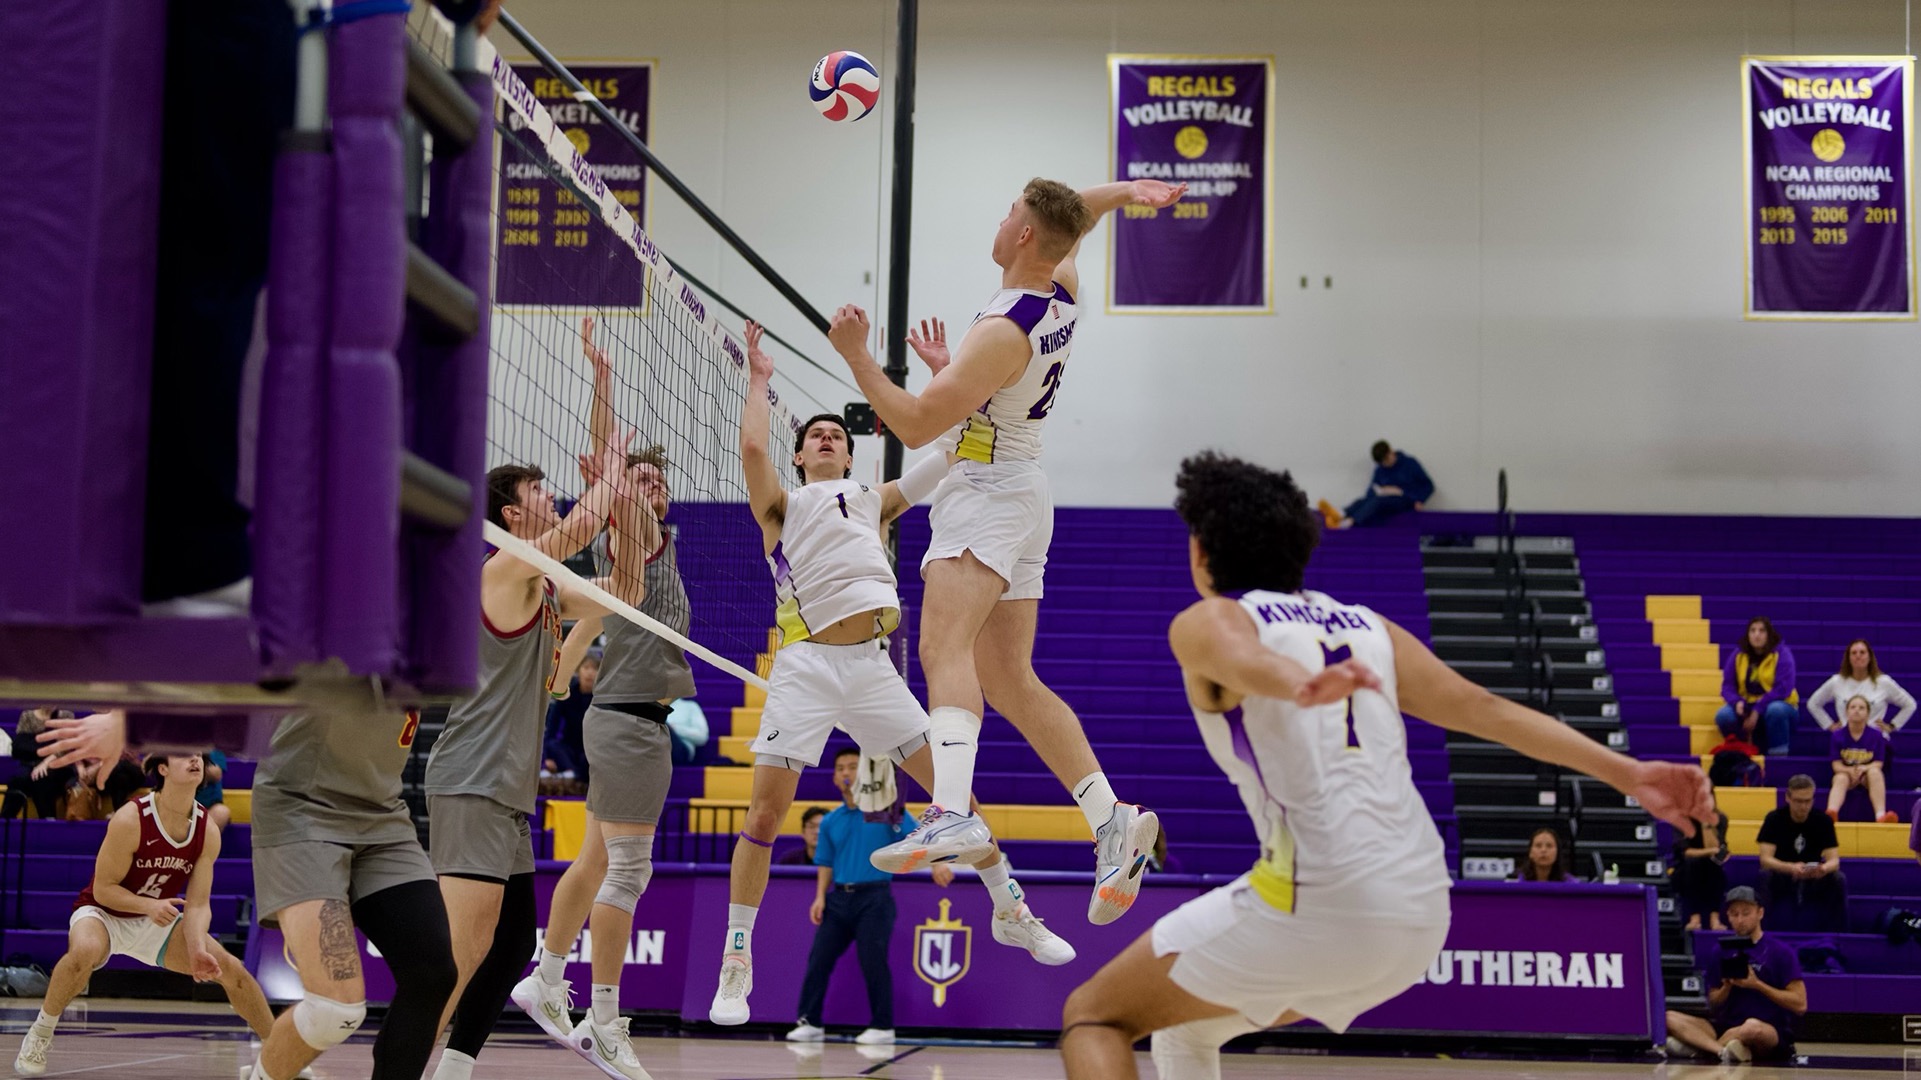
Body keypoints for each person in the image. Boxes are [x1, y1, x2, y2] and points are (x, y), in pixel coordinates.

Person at [1056, 452, 1714, 1080]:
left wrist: (1296, 683)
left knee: (1093, 1016)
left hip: (1320, 905)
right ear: (1299, 548)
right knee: (1186, 1025)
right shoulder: (1366, 626)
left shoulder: (1210, 619)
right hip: (1421, 915)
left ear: (1200, 552)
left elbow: (1242, 656)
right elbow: (1483, 707)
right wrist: (1628, 774)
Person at [827, 176, 1188, 926]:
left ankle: (950, 810)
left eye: (1009, 214)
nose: (1000, 221)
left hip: (986, 496)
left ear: (1025, 234)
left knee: (941, 648)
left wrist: (858, 357)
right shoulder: (1060, 284)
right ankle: (1111, 818)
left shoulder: (1003, 328)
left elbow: (919, 426)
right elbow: (1074, 217)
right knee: (1008, 678)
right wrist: (1128, 192)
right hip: (1021, 490)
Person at [712, 324, 1073, 1028]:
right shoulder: (782, 505)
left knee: (952, 800)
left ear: (849, 452)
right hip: (807, 664)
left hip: (872, 670)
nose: (825, 439)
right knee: (761, 815)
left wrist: (946, 378)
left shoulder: (873, 499)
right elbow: (753, 448)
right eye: (814, 435)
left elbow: (950, 450)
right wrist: (757, 377)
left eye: (835, 436)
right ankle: (736, 958)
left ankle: (1011, 909)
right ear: (799, 453)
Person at [425, 440, 657, 1080]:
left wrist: (629, 510)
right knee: (461, 956)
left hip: (506, 792)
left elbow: (629, 589)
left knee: (505, 956)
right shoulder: (500, 570)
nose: (549, 496)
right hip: (473, 781)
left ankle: (452, 1071)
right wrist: (611, 476)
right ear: (511, 514)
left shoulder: (546, 590)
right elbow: (581, 523)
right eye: (537, 492)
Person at [514, 317, 696, 1080]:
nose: (648, 491)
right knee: (628, 873)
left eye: (658, 484)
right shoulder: (634, 534)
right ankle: (604, 1018)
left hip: (625, 721)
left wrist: (561, 662)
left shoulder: (657, 551)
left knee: (592, 864)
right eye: (640, 483)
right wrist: (600, 383)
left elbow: (591, 620)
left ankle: (546, 978)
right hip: (630, 727)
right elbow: (609, 474)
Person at [15, 754, 274, 1077]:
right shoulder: (131, 819)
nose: (194, 759)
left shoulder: (207, 828)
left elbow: (197, 905)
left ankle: (278, 1054)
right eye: (183, 755)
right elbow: (104, 889)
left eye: (198, 755)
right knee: (83, 952)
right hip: (104, 912)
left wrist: (196, 949)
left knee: (233, 971)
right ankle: (41, 1031)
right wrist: (148, 905)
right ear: (162, 769)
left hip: (156, 920)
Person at [244, 706, 459, 1080]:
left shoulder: (436, 649)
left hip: (382, 816)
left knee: (432, 974)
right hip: (301, 809)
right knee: (334, 1009)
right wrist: (126, 722)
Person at [786, 749, 958, 1046]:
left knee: (873, 961)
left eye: (853, 767)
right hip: (839, 899)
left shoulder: (886, 811)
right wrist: (819, 897)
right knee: (819, 960)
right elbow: (825, 862)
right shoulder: (830, 821)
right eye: (841, 768)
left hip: (874, 898)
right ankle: (810, 1020)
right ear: (834, 777)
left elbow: (917, 837)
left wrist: (938, 863)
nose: (847, 773)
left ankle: (882, 1026)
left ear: (866, 774)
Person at [1664, 887, 1806, 1063]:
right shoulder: (1720, 951)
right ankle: (1723, 1050)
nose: (1740, 920)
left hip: (1768, 1028)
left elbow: (1800, 1004)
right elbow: (1714, 1003)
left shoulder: (1780, 952)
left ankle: (1703, 1048)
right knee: (1668, 1017)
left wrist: (1757, 985)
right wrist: (1727, 986)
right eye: (1734, 914)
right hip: (1726, 1025)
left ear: (1760, 913)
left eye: (1746, 913)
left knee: (1751, 1028)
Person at [1755, 774, 1846, 933]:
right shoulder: (1774, 819)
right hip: (1783, 875)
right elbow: (1765, 859)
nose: (1803, 806)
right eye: (1798, 801)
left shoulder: (1823, 821)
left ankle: (1839, 935)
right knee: (1765, 876)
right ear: (1788, 798)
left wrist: (1822, 869)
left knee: (1838, 879)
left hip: (1813, 877)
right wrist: (1790, 868)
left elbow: (1834, 861)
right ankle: (1762, 932)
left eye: (1808, 801)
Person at [1716, 617, 1798, 756]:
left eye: (1761, 631)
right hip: (1747, 705)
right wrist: (1737, 702)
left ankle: (1778, 756)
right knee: (1723, 716)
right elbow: (1727, 686)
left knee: (1776, 710)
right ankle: (1740, 751)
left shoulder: (1782, 654)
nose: (1757, 635)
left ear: (1769, 634)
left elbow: (1783, 688)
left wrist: (1757, 709)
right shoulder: (1738, 654)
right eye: (1752, 631)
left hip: (1781, 707)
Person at [1807, 639, 1914, 736]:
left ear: (1870, 657)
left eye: (1862, 652)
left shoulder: (1883, 682)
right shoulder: (1837, 681)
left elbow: (1910, 704)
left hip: (1876, 741)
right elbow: (1813, 703)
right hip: (1845, 742)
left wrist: (1892, 726)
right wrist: (1829, 725)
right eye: (1854, 653)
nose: (1858, 656)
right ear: (1848, 658)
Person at [1316, 441, 1435, 529]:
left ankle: (1348, 523)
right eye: (1382, 463)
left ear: (1391, 452)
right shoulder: (1380, 469)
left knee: (1379, 500)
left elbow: (1428, 486)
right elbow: (1370, 491)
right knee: (1364, 500)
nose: (1385, 465)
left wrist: (1416, 498)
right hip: (1385, 499)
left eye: (1386, 461)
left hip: (1405, 499)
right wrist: (1381, 491)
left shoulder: (1410, 463)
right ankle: (1341, 513)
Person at [1828, 696, 1897, 822]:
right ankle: (1832, 813)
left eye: (1861, 708)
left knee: (1875, 773)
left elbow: (1878, 763)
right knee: (1840, 777)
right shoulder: (1837, 735)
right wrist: (1850, 771)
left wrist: (1864, 768)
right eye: (1853, 707)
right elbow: (1836, 765)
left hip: (1867, 775)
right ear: (1846, 712)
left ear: (1868, 714)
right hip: (1847, 775)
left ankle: (1880, 815)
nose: (1857, 710)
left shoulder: (1876, 735)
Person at [4, 710, 74, 819]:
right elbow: (19, 747)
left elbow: (66, 747)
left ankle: (48, 819)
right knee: (18, 780)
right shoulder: (27, 716)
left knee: (42, 778)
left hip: (58, 765)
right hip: (29, 765)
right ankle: (5, 821)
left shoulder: (66, 715)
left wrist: (45, 761)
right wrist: (49, 747)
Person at [1673, 811, 1731, 931]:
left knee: (1715, 863)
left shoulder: (1720, 818)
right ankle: (1695, 918)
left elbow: (1717, 850)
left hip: (1711, 869)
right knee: (1693, 863)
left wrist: (1706, 823)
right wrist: (1709, 852)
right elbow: (1686, 853)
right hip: (1684, 869)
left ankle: (1714, 918)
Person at [543, 655, 598, 782]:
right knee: (553, 745)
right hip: (568, 747)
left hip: (591, 748)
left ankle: (571, 774)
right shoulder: (567, 694)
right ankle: (572, 773)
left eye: (594, 669)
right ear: (579, 670)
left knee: (595, 756)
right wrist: (548, 757)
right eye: (586, 667)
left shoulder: (601, 697)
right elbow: (552, 728)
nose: (590, 673)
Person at [197, 747, 231, 831]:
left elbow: (216, 774)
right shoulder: (176, 748)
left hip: (210, 807)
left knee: (221, 812)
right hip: (179, 807)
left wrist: (199, 763)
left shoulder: (215, 749)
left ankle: (200, 841)